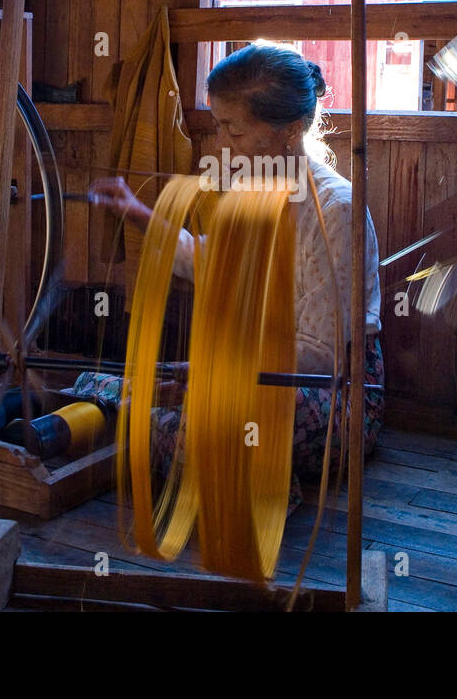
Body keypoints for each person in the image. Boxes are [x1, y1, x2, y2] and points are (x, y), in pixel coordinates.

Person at [83, 44, 384, 513]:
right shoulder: (253, 190)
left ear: (290, 130)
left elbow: (321, 356)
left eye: (233, 130)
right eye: (218, 126)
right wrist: (139, 213)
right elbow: (212, 264)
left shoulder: (335, 210)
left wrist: (223, 369)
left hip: (332, 396)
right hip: (254, 373)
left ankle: (226, 463)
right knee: (96, 386)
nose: (221, 144)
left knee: (208, 425)